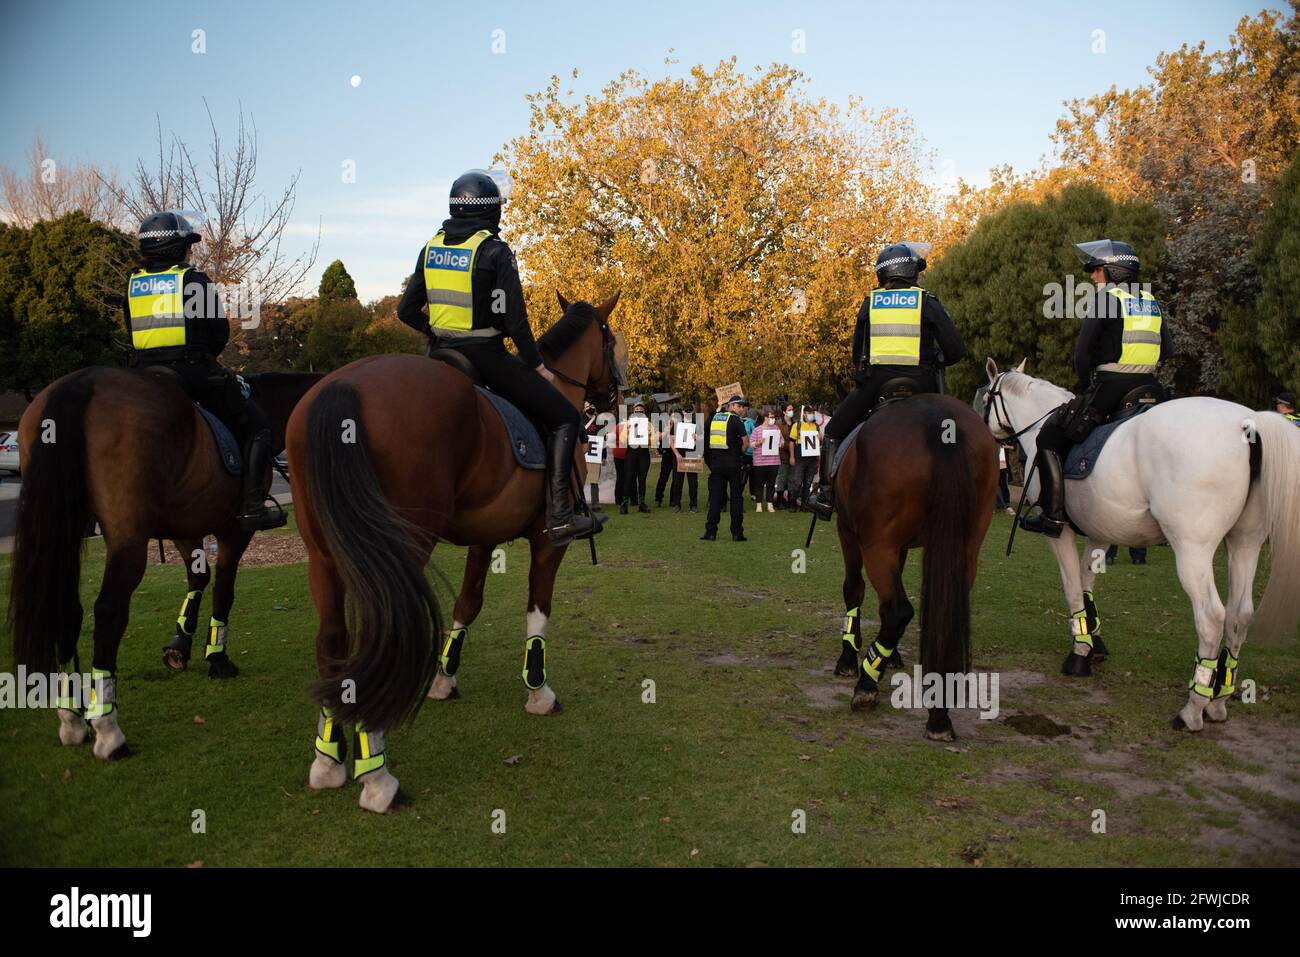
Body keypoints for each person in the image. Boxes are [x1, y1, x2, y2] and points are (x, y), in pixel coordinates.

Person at [398, 169, 602, 546]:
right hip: (485, 358)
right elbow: (516, 322)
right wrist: (538, 366)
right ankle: (559, 516)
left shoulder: (431, 248)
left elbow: (405, 311)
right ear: (493, 212)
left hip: (440, 355)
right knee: (565, 417)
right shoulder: (494, 250)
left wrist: (435, 331)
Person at [123, 211, 283, 532]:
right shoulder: (192, 280)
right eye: (188, 245)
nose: (191, 251)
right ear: (178, 247)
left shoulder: (132, 283)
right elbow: (218, 333)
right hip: (191, 371)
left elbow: (130, 332)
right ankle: (252, 507)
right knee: (258, 428)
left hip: (141, 377)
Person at [1021, 239, 1173, 537]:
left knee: (1049, 438)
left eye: (1097, 270)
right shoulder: (1151, 301)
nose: (1093, 276)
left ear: (1113, 272)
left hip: (1111, 387)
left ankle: (1051, 516)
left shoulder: (1107, 299)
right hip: (1152, 388)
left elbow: (1081, 354)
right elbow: (1167, 350)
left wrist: (1085, 385)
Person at [809, 241, 966, 519]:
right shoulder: (926, 301)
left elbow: (858, 356)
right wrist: (935, 360)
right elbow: (956, 351)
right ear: (910, 271)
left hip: (877, 387)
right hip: (923, 388)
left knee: (833, 431)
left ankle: (824, 494)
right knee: (954, 434)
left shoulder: (870, 303)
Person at [701, 395, 749, 541]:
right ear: (731, 406)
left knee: (716, 498)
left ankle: (710, 532)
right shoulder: (736, 420)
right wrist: (738, 453)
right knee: (736, 499)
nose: (742, 409)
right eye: (740, 406)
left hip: (717, 464)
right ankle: (736, 533)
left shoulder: (714, 418)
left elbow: (705, 436)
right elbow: (745, 442)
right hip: (733, 463)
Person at [750, 406, 783, 512]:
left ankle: (770, 504)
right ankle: (759, 504)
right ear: (765, 418)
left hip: (774, 462)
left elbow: (782, 442)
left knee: (771, 484)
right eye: (771, 417)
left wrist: (781, 444)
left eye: (774, 417)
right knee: (759, 483)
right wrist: (758, 442)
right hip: (759, 462)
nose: (773, 419)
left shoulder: (777, 429)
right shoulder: (757, 430)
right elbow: (751, 444)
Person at [623, 401, 653, 514]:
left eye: (641, 411)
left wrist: (650, 435)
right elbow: (622, 440)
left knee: (642, 479)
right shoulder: (628, 424)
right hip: (631, 452)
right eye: (637, 411)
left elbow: (653, 441)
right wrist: (628, 432)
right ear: (633, 412)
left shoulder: (649, 424)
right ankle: (624, 504)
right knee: (629, 479)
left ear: (644, 412)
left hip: (644, 453)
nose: (639, 413)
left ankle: (642, 504)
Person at [669, 402, 700, 513]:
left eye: (689, 410)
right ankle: (677, 504)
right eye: (685, 410)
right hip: (679, 456)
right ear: (682, 412)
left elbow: (702, 441)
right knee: (677, 482)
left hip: (692, 455)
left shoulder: (697, 425)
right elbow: (671, 441)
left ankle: (693, 505)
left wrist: (698, 438)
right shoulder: (677, 424)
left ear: (693, 411)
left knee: (693, 483)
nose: (687, 412)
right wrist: (677, 454)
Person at [789, 406, 821, 509]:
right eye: (809, 413)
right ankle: (793, 503)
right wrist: (792, 456)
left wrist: (819, 438)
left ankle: (804, 504)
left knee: (808, 482)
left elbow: (819, 442)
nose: (811, 415)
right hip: (800, 456)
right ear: (804, 414)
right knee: (797, 481)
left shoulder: (815, 426)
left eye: (812, 413)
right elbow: (791, 442)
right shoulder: (797, 425)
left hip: (812, 457)